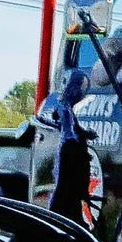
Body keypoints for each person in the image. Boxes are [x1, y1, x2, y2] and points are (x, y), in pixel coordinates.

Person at [48, 70, 97, 229]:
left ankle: (73, 217)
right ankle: (61, 217)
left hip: (73, 150)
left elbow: (74, 128)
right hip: (69, 152)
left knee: (73, 189)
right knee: (66, 188)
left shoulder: (67, 108)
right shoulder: (63, 107)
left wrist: (85, 134)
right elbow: (68, 129)